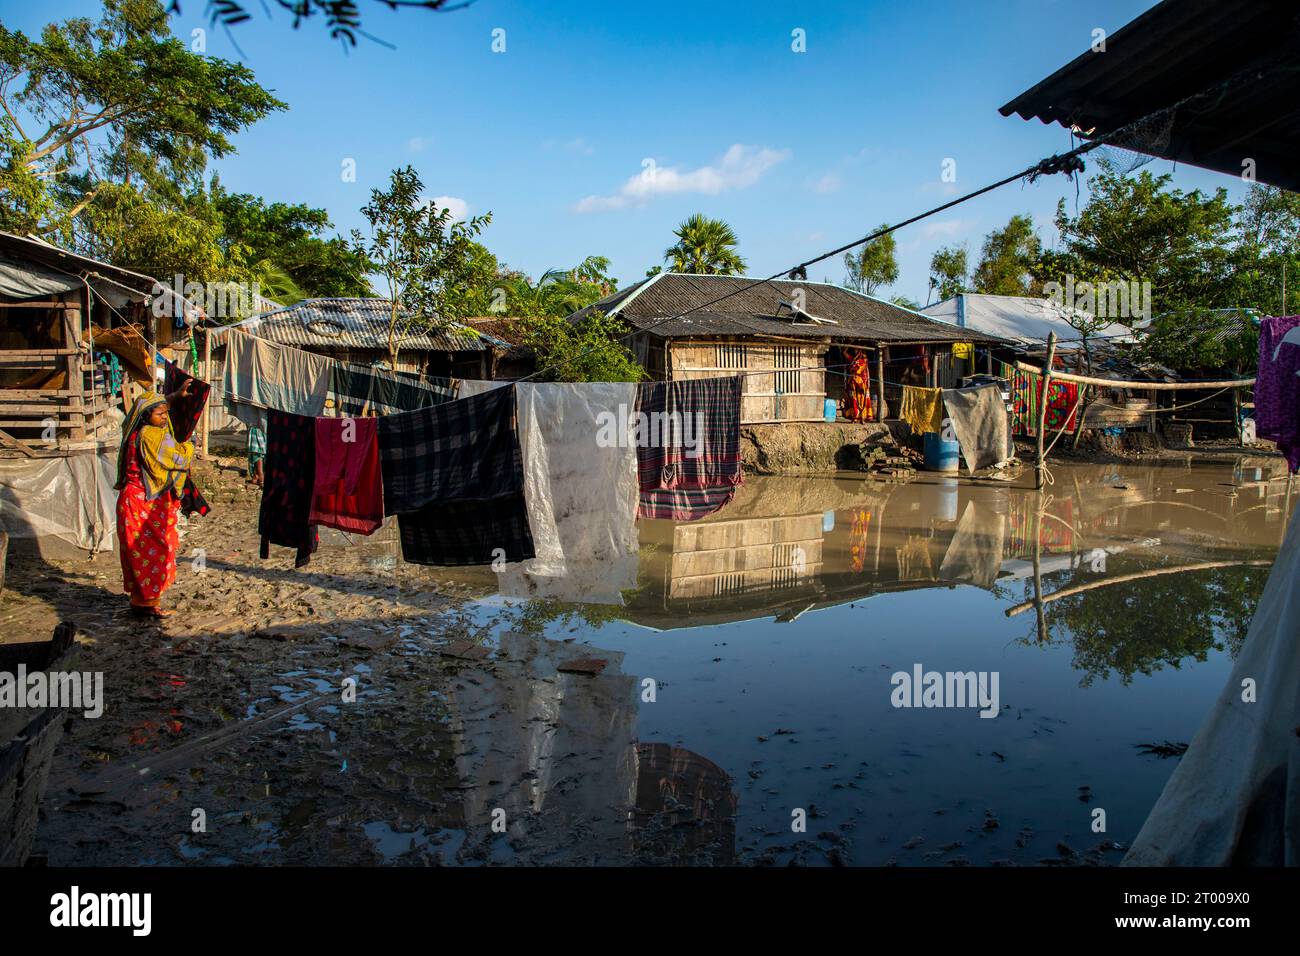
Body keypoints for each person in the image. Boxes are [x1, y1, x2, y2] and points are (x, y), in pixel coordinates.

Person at [114, 382, 197, 619]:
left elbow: (148, 408)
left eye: (165, 412)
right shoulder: (151, 436)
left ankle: (142, 602)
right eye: (159, 413)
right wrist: (190, 446)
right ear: (146, 416)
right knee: (153, 551)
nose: (164, 417)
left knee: (138, 552)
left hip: (132, 501)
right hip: (143, 504)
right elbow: (177, 458)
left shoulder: (133, 431)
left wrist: (172, 397)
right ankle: (148, 605)